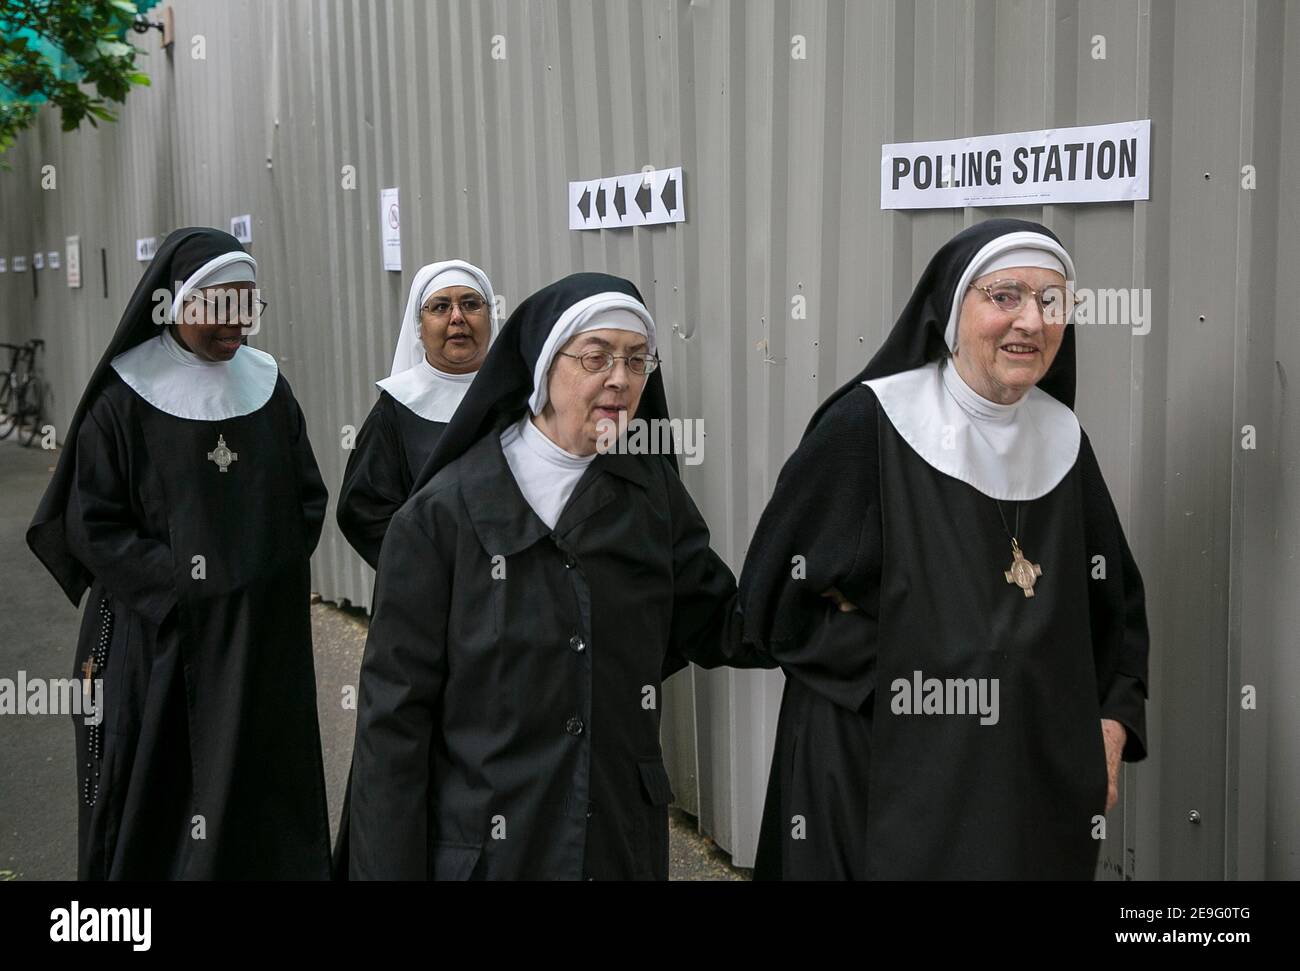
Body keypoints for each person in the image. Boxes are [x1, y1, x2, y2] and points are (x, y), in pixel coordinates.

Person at [741, 218, 1150, 879]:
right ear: (952, 310)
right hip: (877, 774)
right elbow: (770, 606)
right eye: (1004, 295)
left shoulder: (1064, 440)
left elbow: (1118, 610)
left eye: (1051, 301)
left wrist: (1112, 719)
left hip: (1025, 788)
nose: (1030, 320)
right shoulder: (867, 426)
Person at [348, 272, 774, 880]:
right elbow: (395, 718)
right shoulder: (442, 515)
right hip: (491, 852)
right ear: (545, 365)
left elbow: (716, 620)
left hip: (614, 843)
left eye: (636, 360)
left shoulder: (650, 496)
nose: (620, 379)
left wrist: (832, 606)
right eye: (596, 357)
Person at [27, 227, 332, 879]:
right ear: (175, 304)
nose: (237, 326)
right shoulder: (124, 400)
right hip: (159, 645)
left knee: (263, 798)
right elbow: (94, 523)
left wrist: (261, 582)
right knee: (159, 802)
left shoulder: (268, 387)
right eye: (222, 307)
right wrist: (185, 594)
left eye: (249, 307)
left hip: (257, 642)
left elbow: (306, 496)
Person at [337, 259, 499, 569]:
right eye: (440, 307)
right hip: (429, 594)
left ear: (490, 316)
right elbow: (362, 511)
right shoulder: (396, 409)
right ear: (418, 326)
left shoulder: (519, 400)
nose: (457, 318)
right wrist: (428, 567)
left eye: (470, 304)